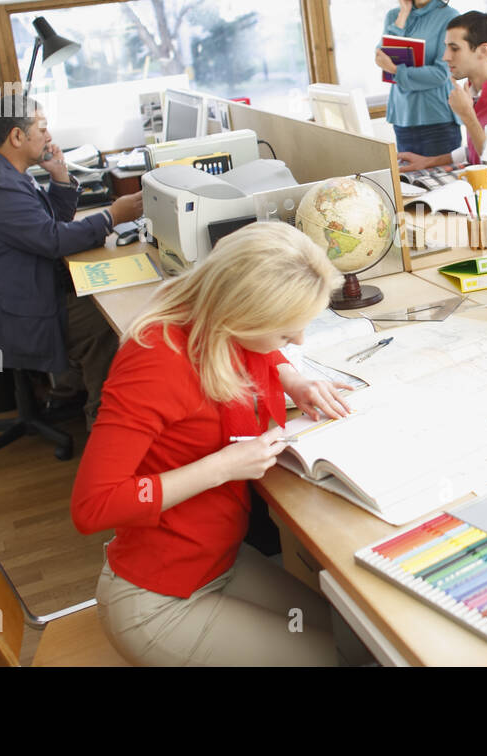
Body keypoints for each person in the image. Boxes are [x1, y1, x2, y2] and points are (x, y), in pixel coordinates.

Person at [71, 222, 353, 666]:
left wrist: (291, 377)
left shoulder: (217, 324)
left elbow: (256, 348)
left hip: (219, 562)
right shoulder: (156, 364)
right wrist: (222, 466)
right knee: (331, 658)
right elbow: (93, 506)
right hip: (159, 601)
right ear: (240, 315)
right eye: (285, 332)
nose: (298, 341)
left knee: (357, 639)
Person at [0, 93, 143, 427]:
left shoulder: (3, 172)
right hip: (6, 314)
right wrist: (112, 216)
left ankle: (68, 390)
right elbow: (53, 240)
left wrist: (60, 176)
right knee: (104, 324)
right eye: (42, 128)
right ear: (17, 136)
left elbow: (48, 226)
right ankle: (102, 424)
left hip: (11, 292)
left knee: (93, 298)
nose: (49, 136)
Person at [397, 10, 487, 171]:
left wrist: (467, 115)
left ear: (483, 51)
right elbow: (474, 149)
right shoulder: (471, 91)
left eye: (454, 48)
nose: (445, 56)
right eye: (446, 47)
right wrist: (429, 162)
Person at [375, 0, 460, 157]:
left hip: (438, 121)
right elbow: (381, 55)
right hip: (402, 120)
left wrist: (396, 70)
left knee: (445, 187)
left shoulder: (449, 17)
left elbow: (441, 73)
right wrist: (403, 15)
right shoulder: (394, 15)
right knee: (410, 187)